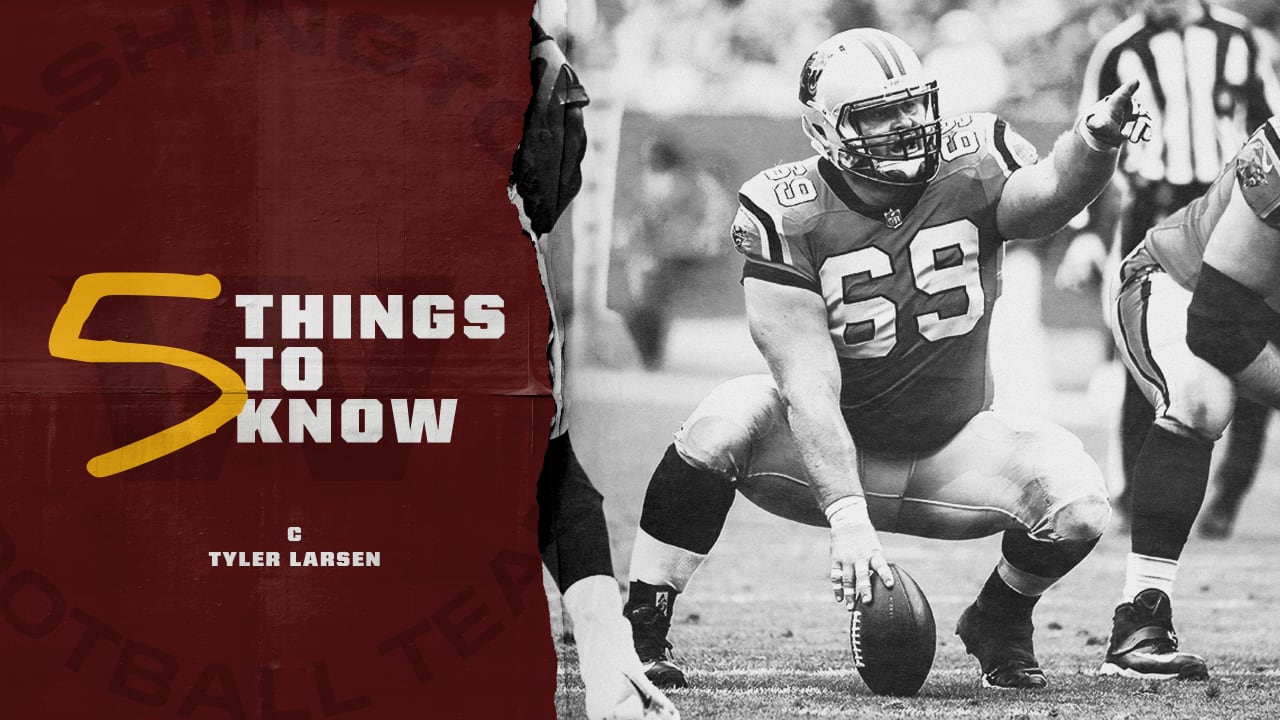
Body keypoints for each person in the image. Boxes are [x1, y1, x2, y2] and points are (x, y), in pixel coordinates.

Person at [621, 27, 1149, 690]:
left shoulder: (974, 158)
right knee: (723, 418)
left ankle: (1000, 617)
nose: (905, 126)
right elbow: (806, 386)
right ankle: (642, 626)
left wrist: (1093, 144)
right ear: (824, 134)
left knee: (1079, 503)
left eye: (912, 105)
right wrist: (846, 516)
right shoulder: (786, 210)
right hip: (822, 452)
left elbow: (1045, 198)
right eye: (879, 115)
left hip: (949, 450)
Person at [509, 17, 679, 720]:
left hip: (303, 267)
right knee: (542, 456)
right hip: (478, 259)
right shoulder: (517, 36)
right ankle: (609, 660)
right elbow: (557, 163)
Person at [1066, 0, 1280, 535]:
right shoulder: (1119, 47)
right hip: (1154, 211)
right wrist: (1089, 232)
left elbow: (1268, 125)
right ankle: (1136, 495)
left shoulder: (1241, 39)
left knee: (1253, 344)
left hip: (1237, 207)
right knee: (1145, 358)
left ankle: (1228, 497)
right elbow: (1093, 139)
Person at [1104, 114, 1280, 681]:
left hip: (1259, 306)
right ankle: (1141, 616)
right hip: (1179, 284)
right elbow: (1217, 328)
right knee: (1202, 399)